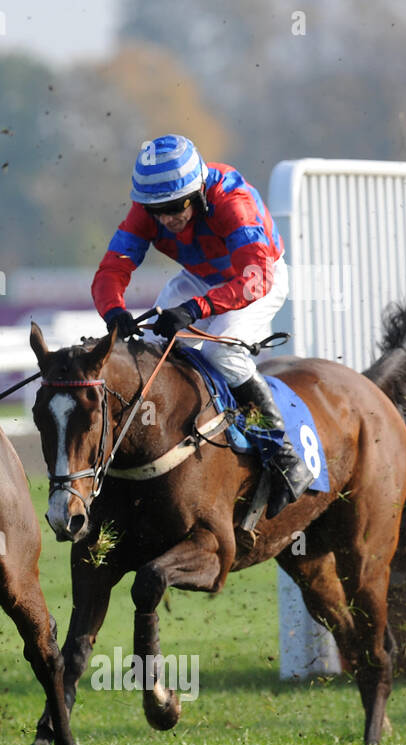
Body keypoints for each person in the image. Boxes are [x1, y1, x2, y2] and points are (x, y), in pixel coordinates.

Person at [92, 133, 314, 517]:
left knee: (221, 351)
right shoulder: (147, 212)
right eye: (156, 209)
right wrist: (114, 312)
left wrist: (197, 309)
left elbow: (254, 278)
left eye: (176, 206)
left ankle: (282, 452)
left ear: (198, 193)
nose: (166, 219)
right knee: (144, 351)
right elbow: (112, 268)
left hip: (259, 278)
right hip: (200, 278)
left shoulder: (233, 204)